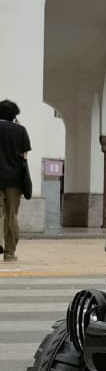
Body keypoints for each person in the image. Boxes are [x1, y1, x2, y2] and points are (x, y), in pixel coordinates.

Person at [0, 99, 32, 262]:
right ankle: (9, 252)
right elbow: (24, 156)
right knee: (11, 215)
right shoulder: (20, 130)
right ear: (14, 115)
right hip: (14, 180)